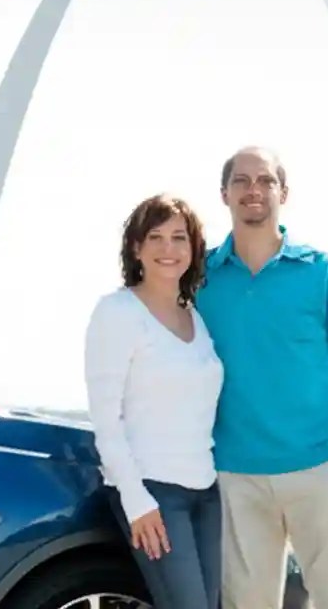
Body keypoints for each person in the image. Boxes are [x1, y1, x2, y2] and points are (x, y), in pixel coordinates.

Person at [195, 146, 328, 609]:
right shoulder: (200, 279)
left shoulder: (325, 272)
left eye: (265, 180)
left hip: (319, 467)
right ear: (224, 194)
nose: (254, 190)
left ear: (283, 192)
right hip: (236, 474)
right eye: (241, 180)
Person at [84, 193, 223, 609]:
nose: (168, 248)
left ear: (193, 248)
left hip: (207, 490)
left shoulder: (195, 316)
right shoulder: (117, 312)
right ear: (136, 248)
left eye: (179, 237)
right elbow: (105, 420)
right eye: (156, 237)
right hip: (154, 492)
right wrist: (136, 500)